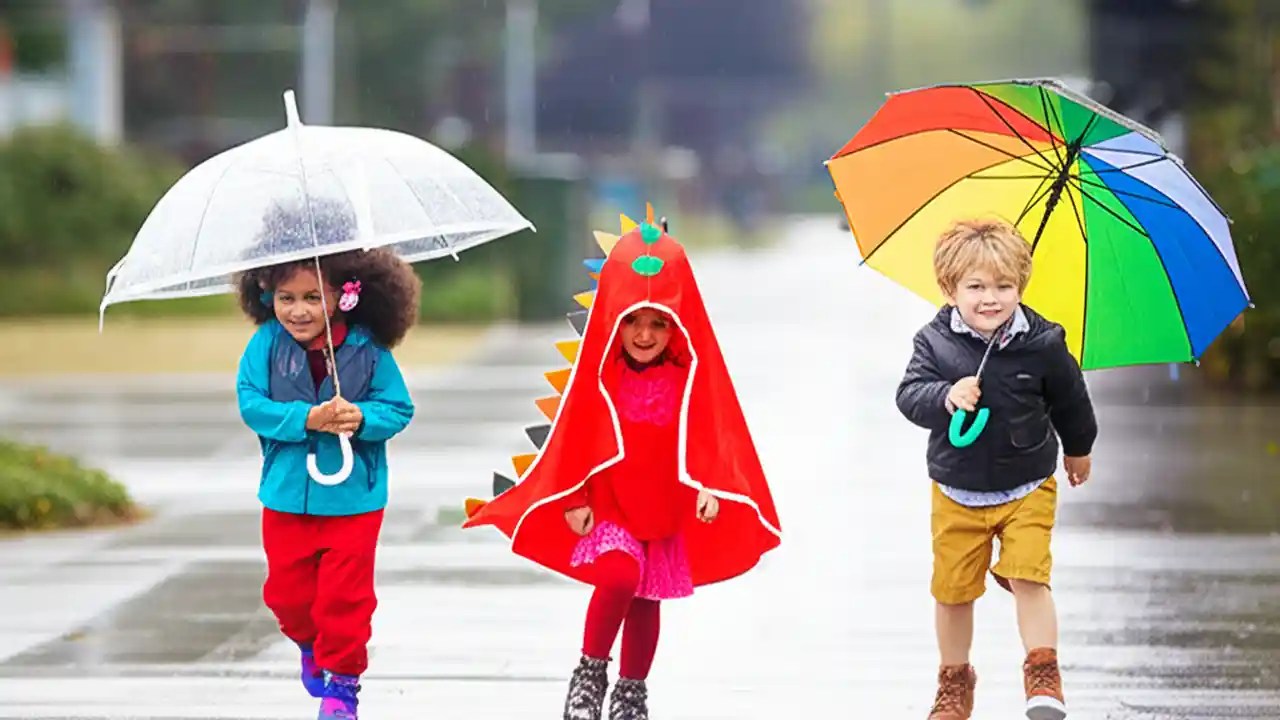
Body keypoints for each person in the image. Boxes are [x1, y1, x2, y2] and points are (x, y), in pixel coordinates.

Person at [463, 219, 782, 720]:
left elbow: (710, 436)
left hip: (664, 504)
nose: (644, 334)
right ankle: (589, 675)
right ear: (615, 317)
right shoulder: (599, 374)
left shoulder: (688, 376)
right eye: (633, 321)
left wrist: (709, 486)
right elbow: (573, 437)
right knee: (618, 576)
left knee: (648, 597)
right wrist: (574, 497)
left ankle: (631, 694)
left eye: (658, 323)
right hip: (610, 502)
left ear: (676, 325)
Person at [896, 218, 1097, 720]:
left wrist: (1079, 447)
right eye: (977, 287)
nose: (992, 299)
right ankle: (954, 680)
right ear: (950, 289)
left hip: (1027, 481)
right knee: (953, 591)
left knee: (1030, 575)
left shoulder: (1044, 342)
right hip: (957, 489)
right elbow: (908, 396)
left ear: (1020, 286)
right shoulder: (934, 342)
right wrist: (946, 395)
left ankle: (1043, 672)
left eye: (1004, 286)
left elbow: (1071, 398)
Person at [234, 201, 419, 720]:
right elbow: (251, 402)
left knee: (346, 599)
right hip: (287, 495)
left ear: (346, 294)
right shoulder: (265, 346)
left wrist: (359, 417)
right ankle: (311, 645)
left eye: (314, 297)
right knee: (287, 597)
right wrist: (305, 419)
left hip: (354, 499)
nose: (298, 311)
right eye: (286, 298)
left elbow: (398, 407)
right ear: (265, 293)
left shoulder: (368, 350)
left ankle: (344, 685)